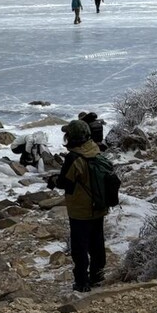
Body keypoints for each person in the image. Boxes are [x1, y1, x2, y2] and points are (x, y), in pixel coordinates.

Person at [57, 118, 108, 292]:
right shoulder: (96, 150)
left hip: (80, 211)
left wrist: (52, 181)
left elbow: (65, 184)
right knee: (97, 244)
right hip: (99, 207)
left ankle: (82, 283)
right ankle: (98, 277)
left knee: (80, 248)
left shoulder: (73, 158)